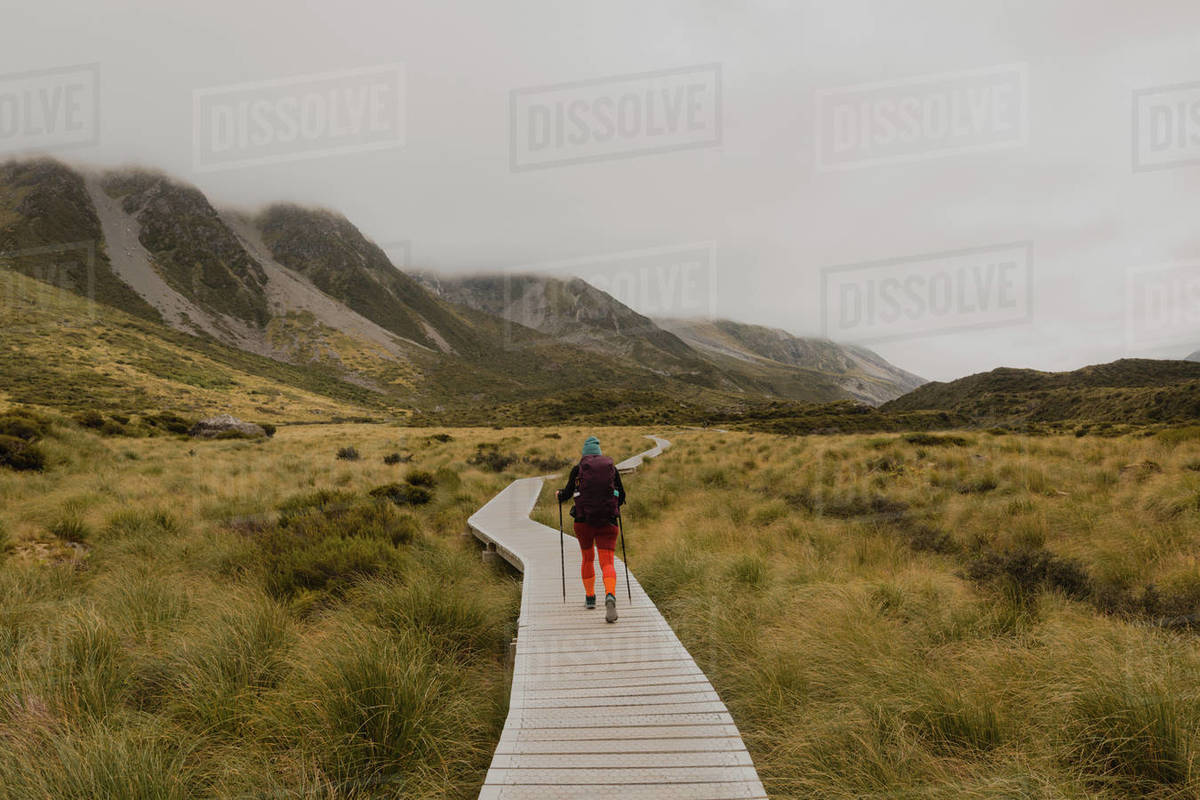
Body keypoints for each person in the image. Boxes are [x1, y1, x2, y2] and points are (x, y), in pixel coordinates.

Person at [556, 436, 626, 623]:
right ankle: (610, 594)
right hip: (608, 523)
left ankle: (590, 597)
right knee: (607, 562)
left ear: (585, 453)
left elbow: (566, 494)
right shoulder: (612, 468)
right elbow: (622, 496)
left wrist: (559, 494)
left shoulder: (578, 470)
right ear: (599, 453)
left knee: (587, 558)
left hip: (583, 522)